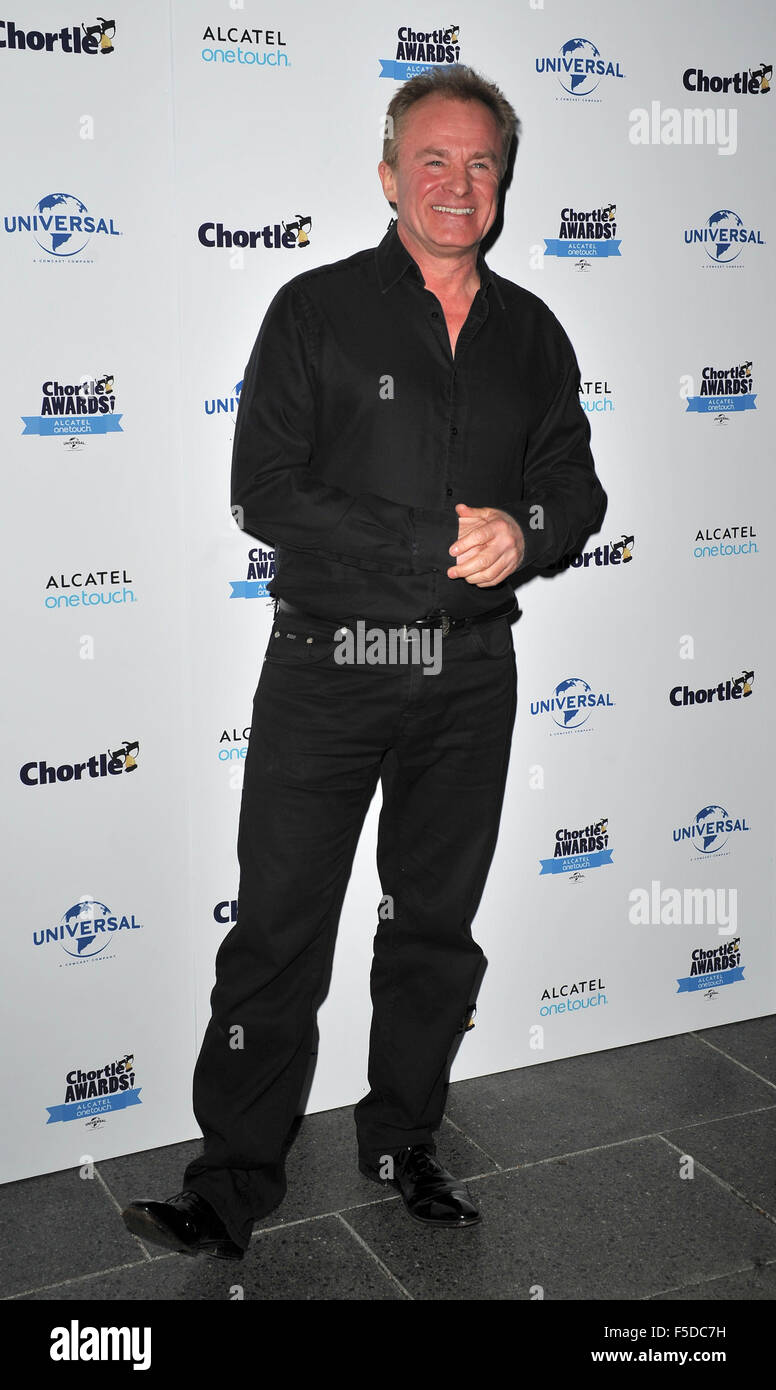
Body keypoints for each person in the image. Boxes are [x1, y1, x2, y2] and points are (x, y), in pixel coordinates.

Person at [122, 64, 606, 1261]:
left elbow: (574, 490)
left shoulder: (533, 333)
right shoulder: (315, 310)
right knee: (279, 928)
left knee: (433, 928)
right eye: (432, 159)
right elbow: (263, 490)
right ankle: (231, 1182)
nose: (457, 183)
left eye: (480, 162)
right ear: (388, 174)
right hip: (331, 664)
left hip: (467, 673)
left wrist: (529, 534)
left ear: (501, 182)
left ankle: (403, 1145)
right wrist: (441, 533)